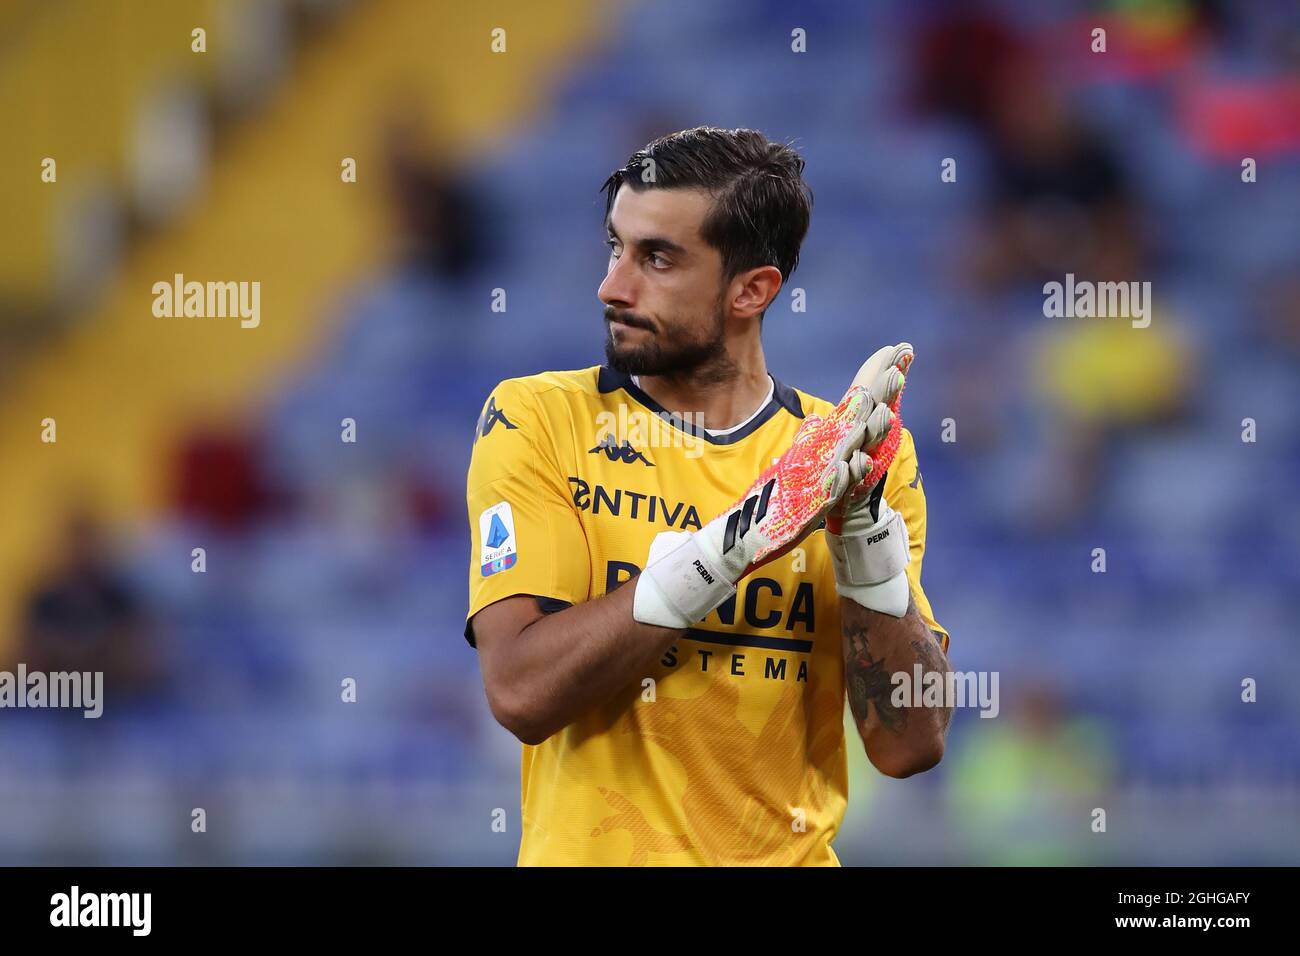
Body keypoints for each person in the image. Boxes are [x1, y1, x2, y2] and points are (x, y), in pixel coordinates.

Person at [463, 127, 950, 866]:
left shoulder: (848, 455)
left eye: (656, 258)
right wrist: (730, 549)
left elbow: (909, 742)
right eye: (614, 247)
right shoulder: (539, 420)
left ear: (751, 290)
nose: (612, 285)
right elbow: (523, 694)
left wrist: (862, 542)